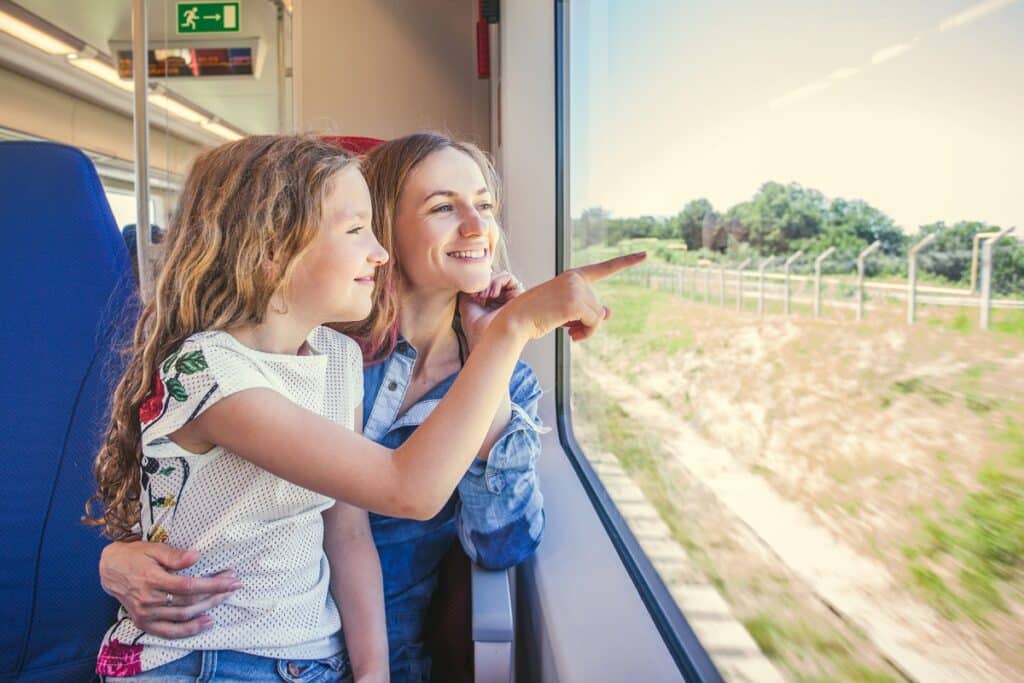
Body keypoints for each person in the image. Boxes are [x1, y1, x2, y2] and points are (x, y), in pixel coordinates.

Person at [87, 133, 643, 681]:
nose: (477, 228)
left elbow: (500, 544)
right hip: (220, 649)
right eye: (443, 207)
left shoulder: (358, 361)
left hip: (360, 648)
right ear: (385, 226)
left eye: (485, 206)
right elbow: (195, 499)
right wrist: (119, 556)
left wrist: (488, 351)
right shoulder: (292, 348)